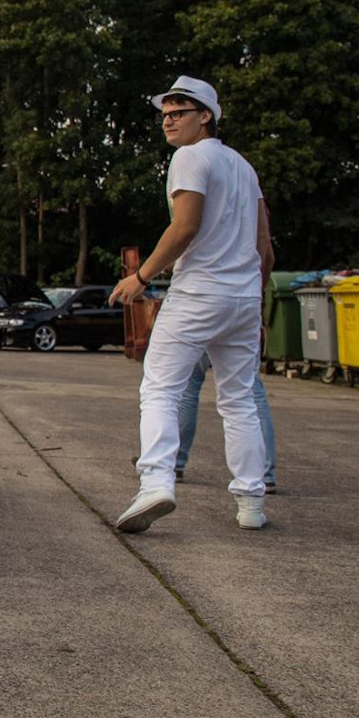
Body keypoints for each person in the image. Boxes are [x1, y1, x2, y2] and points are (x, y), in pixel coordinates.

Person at [108, 75, 273, 533]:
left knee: (159, 387)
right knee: (239, 401)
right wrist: (254, 298)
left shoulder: (189, 157)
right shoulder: (244, 167)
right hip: (242, 297)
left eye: (179, 112)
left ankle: (156, 482)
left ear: (207, 117)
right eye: (164, 114)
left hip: (200, 292)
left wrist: (140, 277)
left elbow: (185, 227)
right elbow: (264, 245)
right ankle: (251, 503)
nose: (168, 121)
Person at [175, 355, 278, 492]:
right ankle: (263, 474)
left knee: (189, 389)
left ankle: (175, 463)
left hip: (197, 334)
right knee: (251, 392)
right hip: (239, 334)